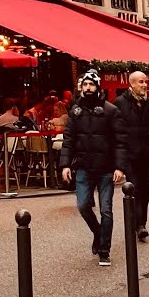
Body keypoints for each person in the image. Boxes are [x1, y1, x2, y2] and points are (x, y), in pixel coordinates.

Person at [59, 70, 123, 267]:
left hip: (105, 168)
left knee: (106, 210)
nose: (88, 88)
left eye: (91, 85)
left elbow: (120, 141)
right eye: (85, 85)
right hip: (84, 167)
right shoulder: (75, 112)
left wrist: (119, 167)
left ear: (97, 87)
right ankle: (98, 232)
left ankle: (104, 250)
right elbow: (68, 140)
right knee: (83, 205)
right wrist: (65, 165)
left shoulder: (111, 111)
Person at [114, 71, 149, 242]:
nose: (145, 85)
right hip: (129, 154)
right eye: (141, 82)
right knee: (134, 188)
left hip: (146, 154)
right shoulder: (120, 103)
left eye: (145, 82)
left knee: (145, 191)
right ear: (131, 84)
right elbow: (116, 129)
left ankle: (142, 222)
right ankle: (138, 225)